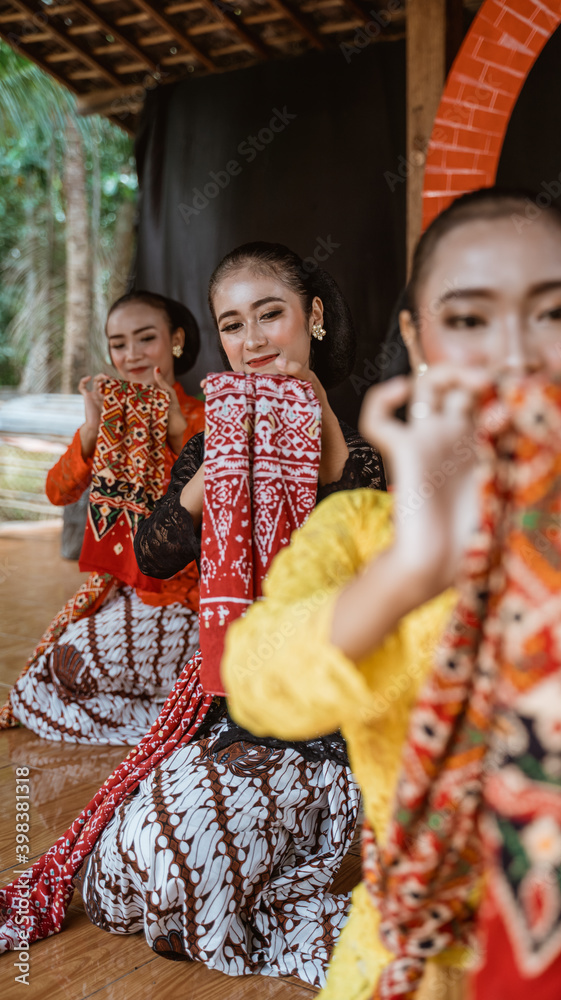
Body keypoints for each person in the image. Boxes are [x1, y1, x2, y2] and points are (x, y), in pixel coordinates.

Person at [221, 189, 561, 999]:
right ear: (417, 338)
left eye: (552, 311)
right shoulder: (364, 533)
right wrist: (413, 568)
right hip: (417, 965)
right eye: (470, 319)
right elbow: (258, 683)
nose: (512, 351)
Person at [77, 243, 385, 988]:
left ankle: (330, 886)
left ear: (311, 317)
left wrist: (318, 426)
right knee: (113, 881)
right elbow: (152, 557)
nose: (252, 341)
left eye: (270, 314)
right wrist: (213, 473)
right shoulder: (214, 439)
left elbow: (358, 563)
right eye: (232, 324)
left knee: (190, 886)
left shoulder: (370, 453)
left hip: (326, 735)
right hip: (230, 713)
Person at [4, 291, 205, 744]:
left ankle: (184, 716)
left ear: (175, 340)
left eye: (145, 338)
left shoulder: (207, 418)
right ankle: (172, 718)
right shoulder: (114, 422)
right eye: (118, 343)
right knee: (41, 680)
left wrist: (177, 432)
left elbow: (223, 514)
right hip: (125, 593)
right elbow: (58, 491)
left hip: (187, 599)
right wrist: (93, 431)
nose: (131, 354)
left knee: (65, 671)